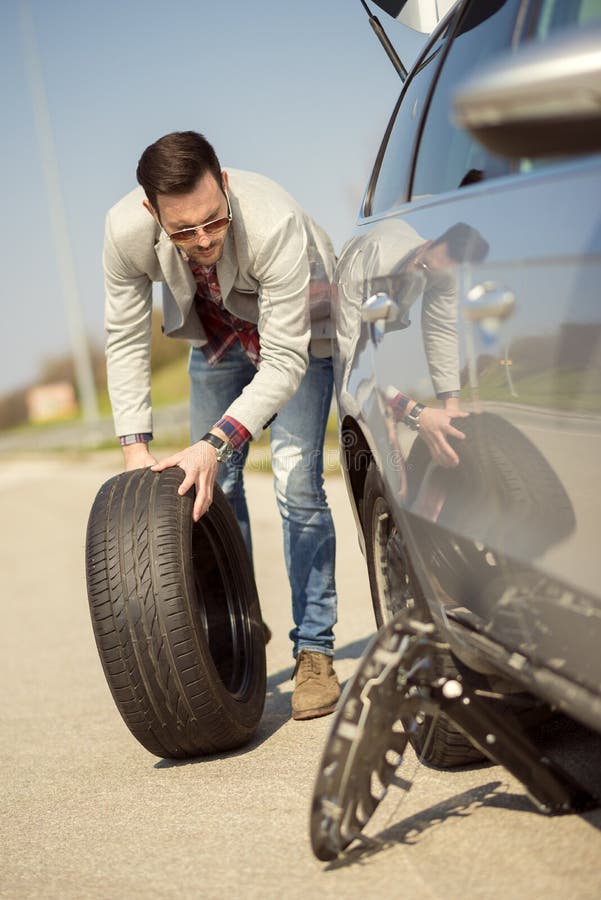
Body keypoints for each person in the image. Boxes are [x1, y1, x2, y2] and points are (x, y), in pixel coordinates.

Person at [103, 130, 340, 720]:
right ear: (150, 212)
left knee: (294, 480)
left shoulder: (274, 221)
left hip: (299, 337)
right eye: (183, 230)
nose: (204, 239)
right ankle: (243, 625)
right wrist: (135, 450)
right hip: (217, 342)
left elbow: (286, 358)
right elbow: (126, 337)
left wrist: (216, 441)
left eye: (213, 220)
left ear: (225, 186)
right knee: (208, 488)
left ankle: (315, 651)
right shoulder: (124, 233)